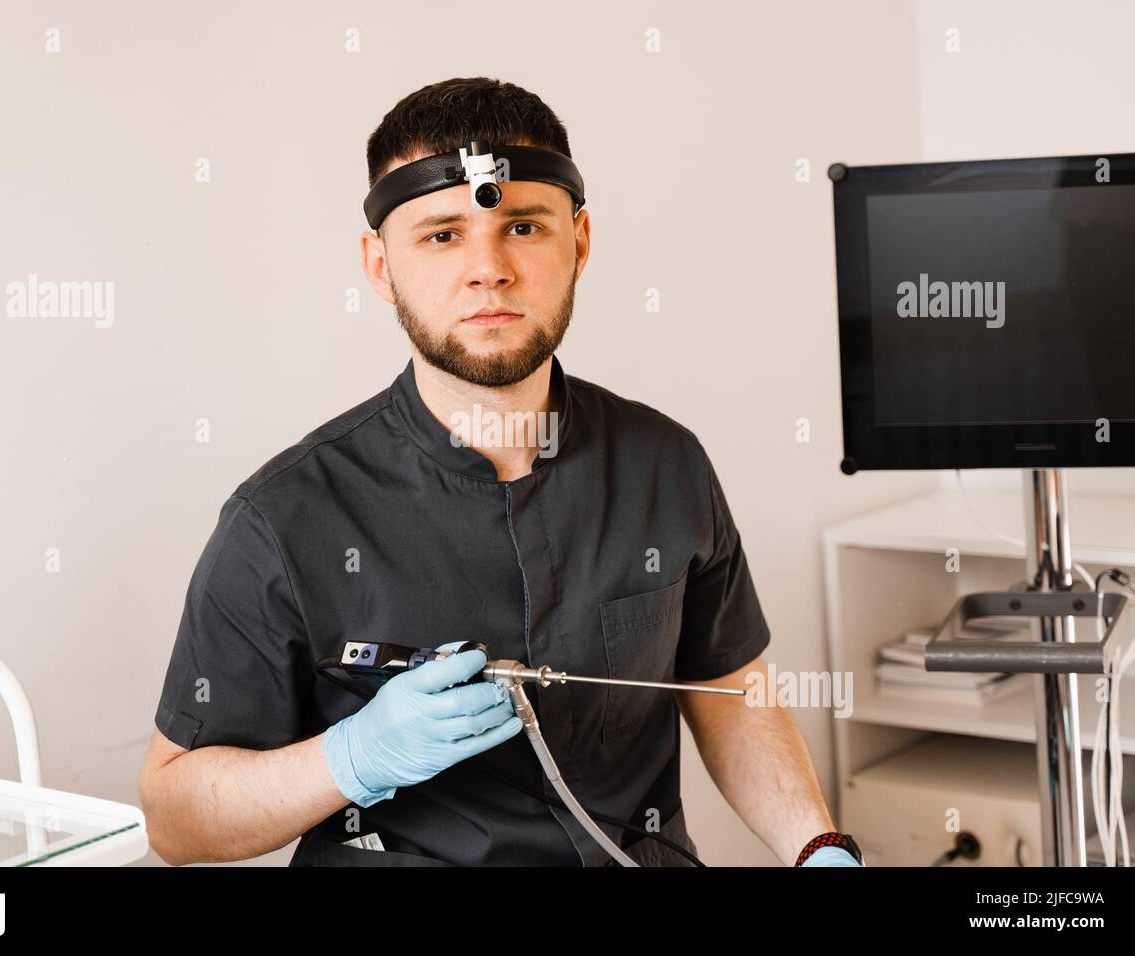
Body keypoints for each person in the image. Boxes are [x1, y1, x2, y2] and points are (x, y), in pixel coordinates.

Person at [137, 76, 860, 867]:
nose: (490, 270)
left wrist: (815, 845)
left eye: (522, 225)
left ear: (579, 241)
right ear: (379, 266)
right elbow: (176, 819)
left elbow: (732, 698)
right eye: (442, 235)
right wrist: (346, 760)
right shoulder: (281, 521)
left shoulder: (667, 465)